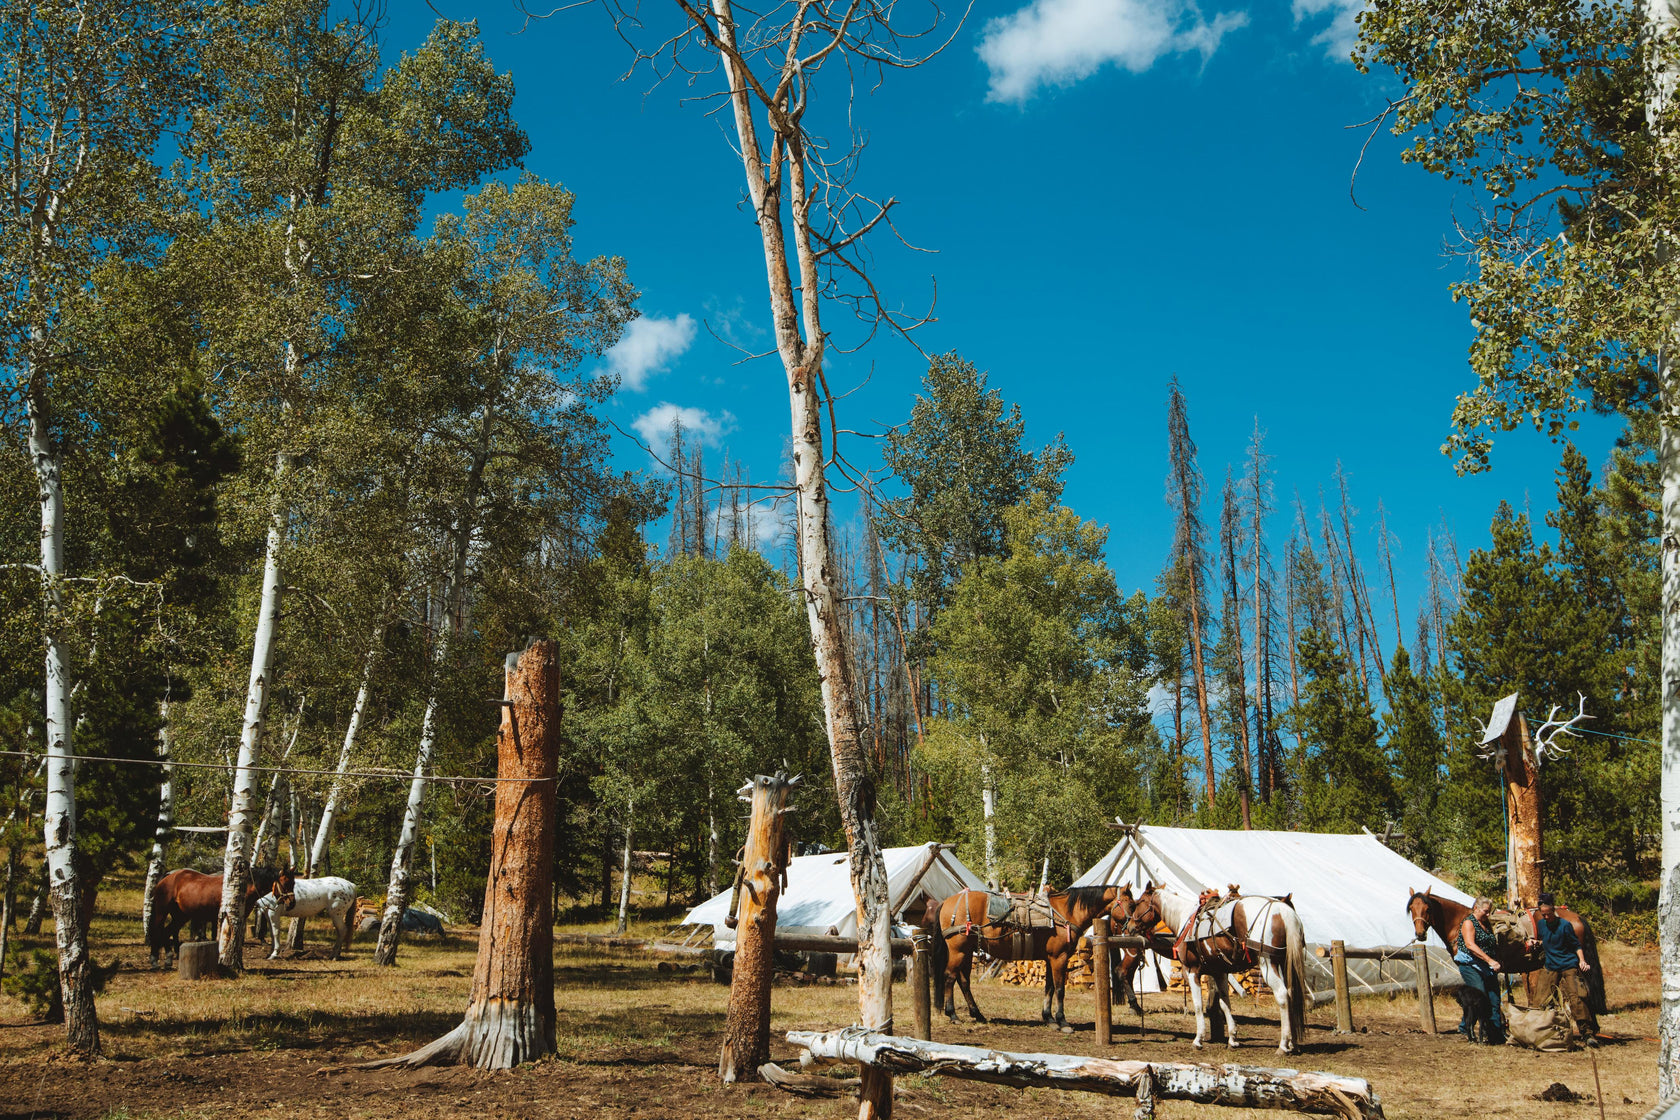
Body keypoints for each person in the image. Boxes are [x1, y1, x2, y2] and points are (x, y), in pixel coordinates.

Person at [1526, 892, 1597, 1043]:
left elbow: (1576, 946)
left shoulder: (1565, 925)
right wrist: (1534, 943)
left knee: (1577, 997)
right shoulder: (1541, 925)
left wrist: (1582, 961)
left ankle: (1587, 1032)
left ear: (1553, 910)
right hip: (1550, 965)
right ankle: (1540, 1030)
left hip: (1568, 965)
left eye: (1548, 914)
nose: (1546, 917)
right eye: (1543, 914)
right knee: (1541, 999)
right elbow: (1544, 941)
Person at [1453, 896, 1505, 1044]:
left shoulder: (1486, 924)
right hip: (1471, 965)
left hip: (1487, 967)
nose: (1488, 915)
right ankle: (1468, 1029)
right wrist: (1490, 960)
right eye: (1485, 911)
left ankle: (1494, 1033)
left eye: (1490, 912)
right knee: (1480, 997)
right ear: (1476, 908)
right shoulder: (1469, 923)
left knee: (1494, 999)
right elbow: (1470, 945)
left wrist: (1496, 959)